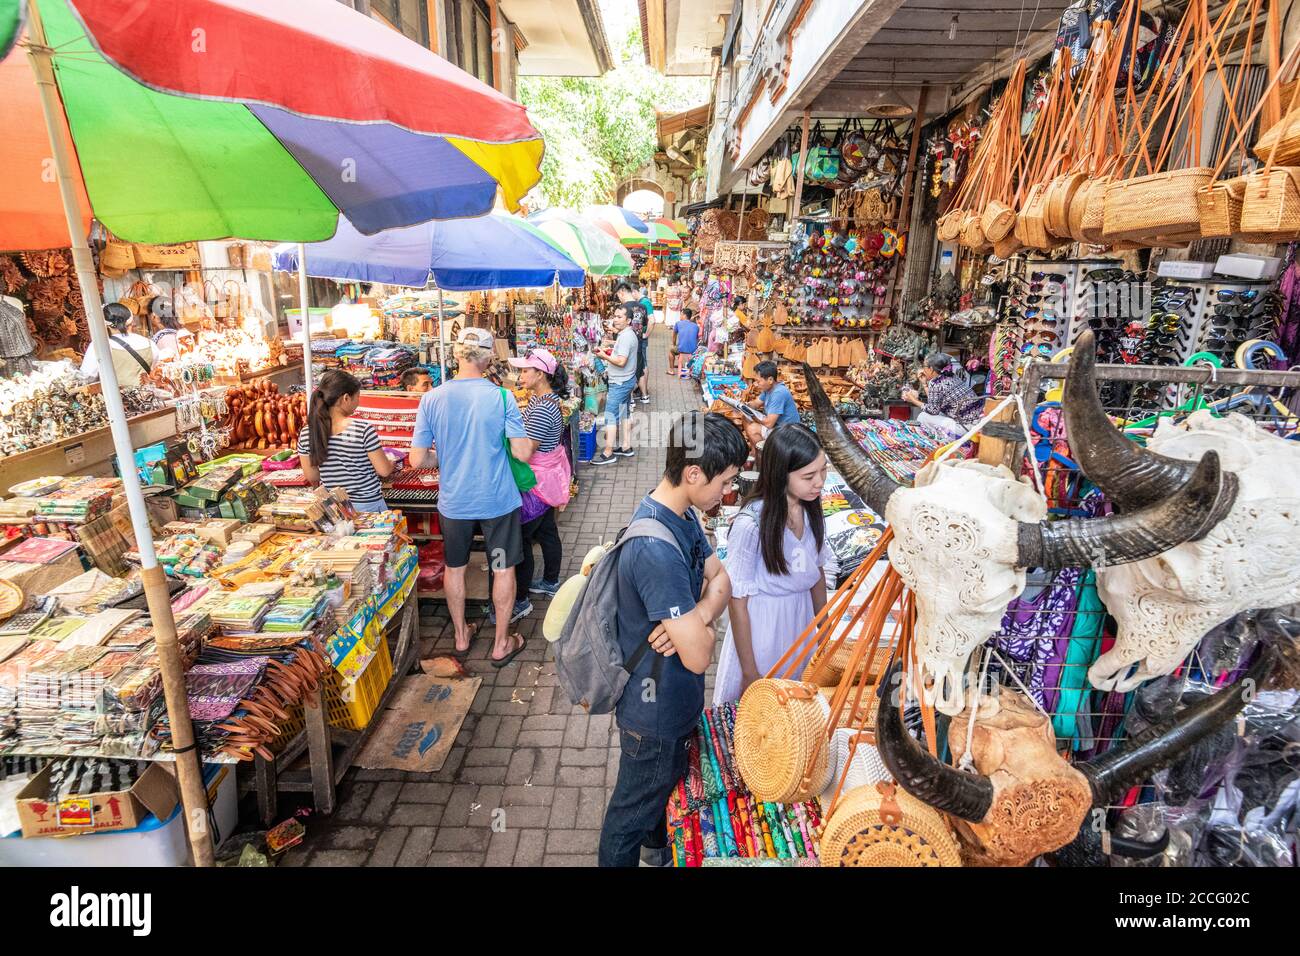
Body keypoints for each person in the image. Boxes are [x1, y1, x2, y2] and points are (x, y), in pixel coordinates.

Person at [598, 412, 749, 867]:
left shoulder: (680, 515)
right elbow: (700, 655)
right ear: (694, 473)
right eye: (725, 481)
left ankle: (657, 852)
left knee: (658, 795)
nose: (728, 492)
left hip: (672, 699)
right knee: (628, 816)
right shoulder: (657, 550)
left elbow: (722, 579)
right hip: (655, 716)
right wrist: (703, 624)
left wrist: (697, 614)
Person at [409, 327, 532, 666]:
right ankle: (501, 644)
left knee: (456, 567)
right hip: (497, 500)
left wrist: (445, 457)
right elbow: (522, 452)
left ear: (456, 355)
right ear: (488, 358)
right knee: (502, 568)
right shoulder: (502, 397)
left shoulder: (431, 398)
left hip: (455, 502)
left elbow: (417, 459)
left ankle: (461, 635)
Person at [714, 424, 830, 704]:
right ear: (780, 474)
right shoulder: (751, 524)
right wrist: (749, 671)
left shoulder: (811, 510)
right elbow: (737, 601)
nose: (819, 482)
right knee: (762, 711)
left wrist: (825, 633)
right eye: (809, 476)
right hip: (762, 633)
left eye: (823, 471)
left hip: (800, 625)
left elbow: (816, 574)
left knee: (796, 712)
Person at [506, 347, 570, 598]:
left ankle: (521, 598)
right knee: (547, 531)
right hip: (545, 478)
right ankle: (551, 581)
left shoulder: (543, 408)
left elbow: (525, 451)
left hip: (537, 482)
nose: (520, 375)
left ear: (541, 374)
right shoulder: (541, 400)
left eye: (525, 371)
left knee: (522, 538)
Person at [297, 368, 396, 514]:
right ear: (346, 398)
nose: (358, 402)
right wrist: (391, 462)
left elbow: (312, 476)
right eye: (357, 397)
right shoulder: (362, 429)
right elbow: (384, 470)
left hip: (335, 509)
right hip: (368, 506)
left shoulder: (307, 432)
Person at [592, 305, 639, 467]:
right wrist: (611, 349)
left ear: (629, 320)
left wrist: (603, 356)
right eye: (615, 316)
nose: (615, 320)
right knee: (624, 413)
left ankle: (608, 452)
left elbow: (621, 361)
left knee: (610, 417)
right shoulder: (627, 334)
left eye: (620, 317)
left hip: (620, 382)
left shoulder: (626, 337)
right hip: (627, 380)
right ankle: (626, 447)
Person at [901, 352, 984, 437]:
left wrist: (913, 399)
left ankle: (935, 438)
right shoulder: (952, 376)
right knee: (936, 412)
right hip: (977, 422)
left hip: (965, 428)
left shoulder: (936, 383)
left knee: (923, 416)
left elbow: (932, 410)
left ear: (931, 369)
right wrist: (924, 384)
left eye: (924, 366)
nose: (923, 370)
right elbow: (934, 403)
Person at [79, 304, 154, 388]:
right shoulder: (149, 343)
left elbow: (87, 376)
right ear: (132, 320)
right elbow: (156, 370)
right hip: (149, 394)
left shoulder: (100, 345)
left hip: (117, 395)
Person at [743, 360, 801, 449]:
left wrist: (754, 417)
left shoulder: (779, 393)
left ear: (770, 380)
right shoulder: (768, 389)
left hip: (789, 433)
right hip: (778, 427)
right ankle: (755, 451)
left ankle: (764, 454)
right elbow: (756, 403)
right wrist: (744, 405)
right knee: (745, 418)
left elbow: (769, 424)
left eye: (758, 381)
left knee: (752, 429)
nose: (756, 384)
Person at [615, 281, 651, 405]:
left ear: (622, 292)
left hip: (626, 342)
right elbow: (644, 324)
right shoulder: (642, 307)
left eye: (618, 295)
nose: (619, 298)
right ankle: (645, 396)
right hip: (639, 342)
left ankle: (630, 399)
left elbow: (618, 326)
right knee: (640, 370)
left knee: (627, 371)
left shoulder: (623, 309)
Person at [671, 307, 700, 377]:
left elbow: (674, 336)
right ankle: (688, 367)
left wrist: (674, 344)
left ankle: (671, 370)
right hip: (693, 349)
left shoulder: (678, 323)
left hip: (682, 349)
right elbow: (696, 338)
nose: (680, 316)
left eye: (681, 314)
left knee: (671, 351)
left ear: (684, 315)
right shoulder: (696, 326)